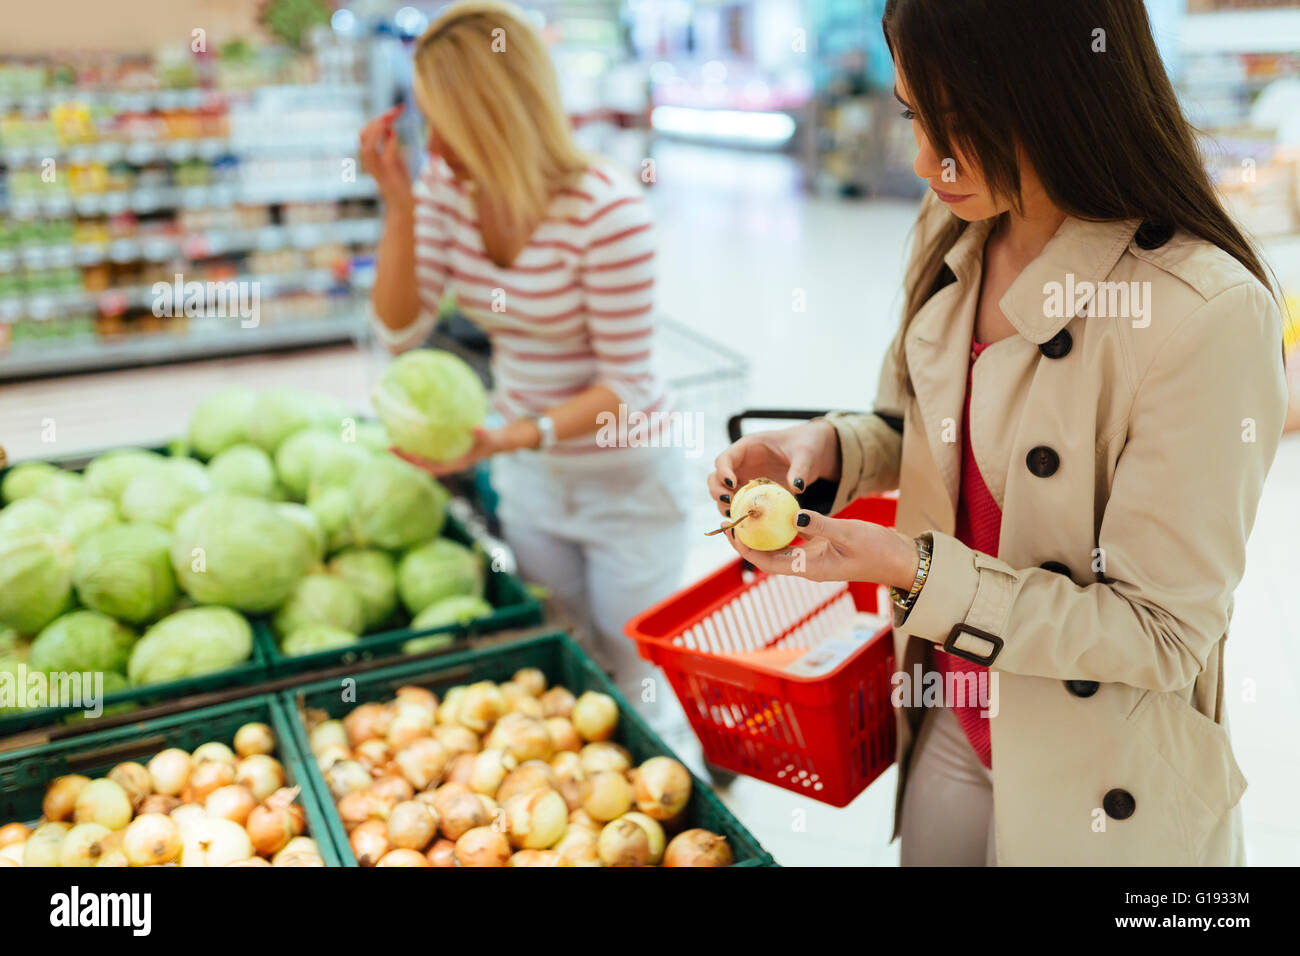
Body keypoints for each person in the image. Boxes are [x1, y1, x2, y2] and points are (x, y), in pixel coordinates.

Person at [707, 0, 1288, 866]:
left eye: (963, 123)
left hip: (1099, 776)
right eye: (914, 113)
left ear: (1066, 94)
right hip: (952, 714)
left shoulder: (1203, 311)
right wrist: (830, 448)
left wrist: (913, 569)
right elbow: (922, 426)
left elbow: (1162, 634)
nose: (922, 160)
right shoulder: (954, 231)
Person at [360, 1, 689, 725]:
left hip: (621, 481)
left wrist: (509, 435)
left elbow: (627, 388)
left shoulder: (607, 214)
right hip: (532, 476)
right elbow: (401, 328)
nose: (433, 144)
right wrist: (400, 207)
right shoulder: (451, 188)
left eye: (443, 121)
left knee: (636, 680)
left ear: (492, 115)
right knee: (566, 660)